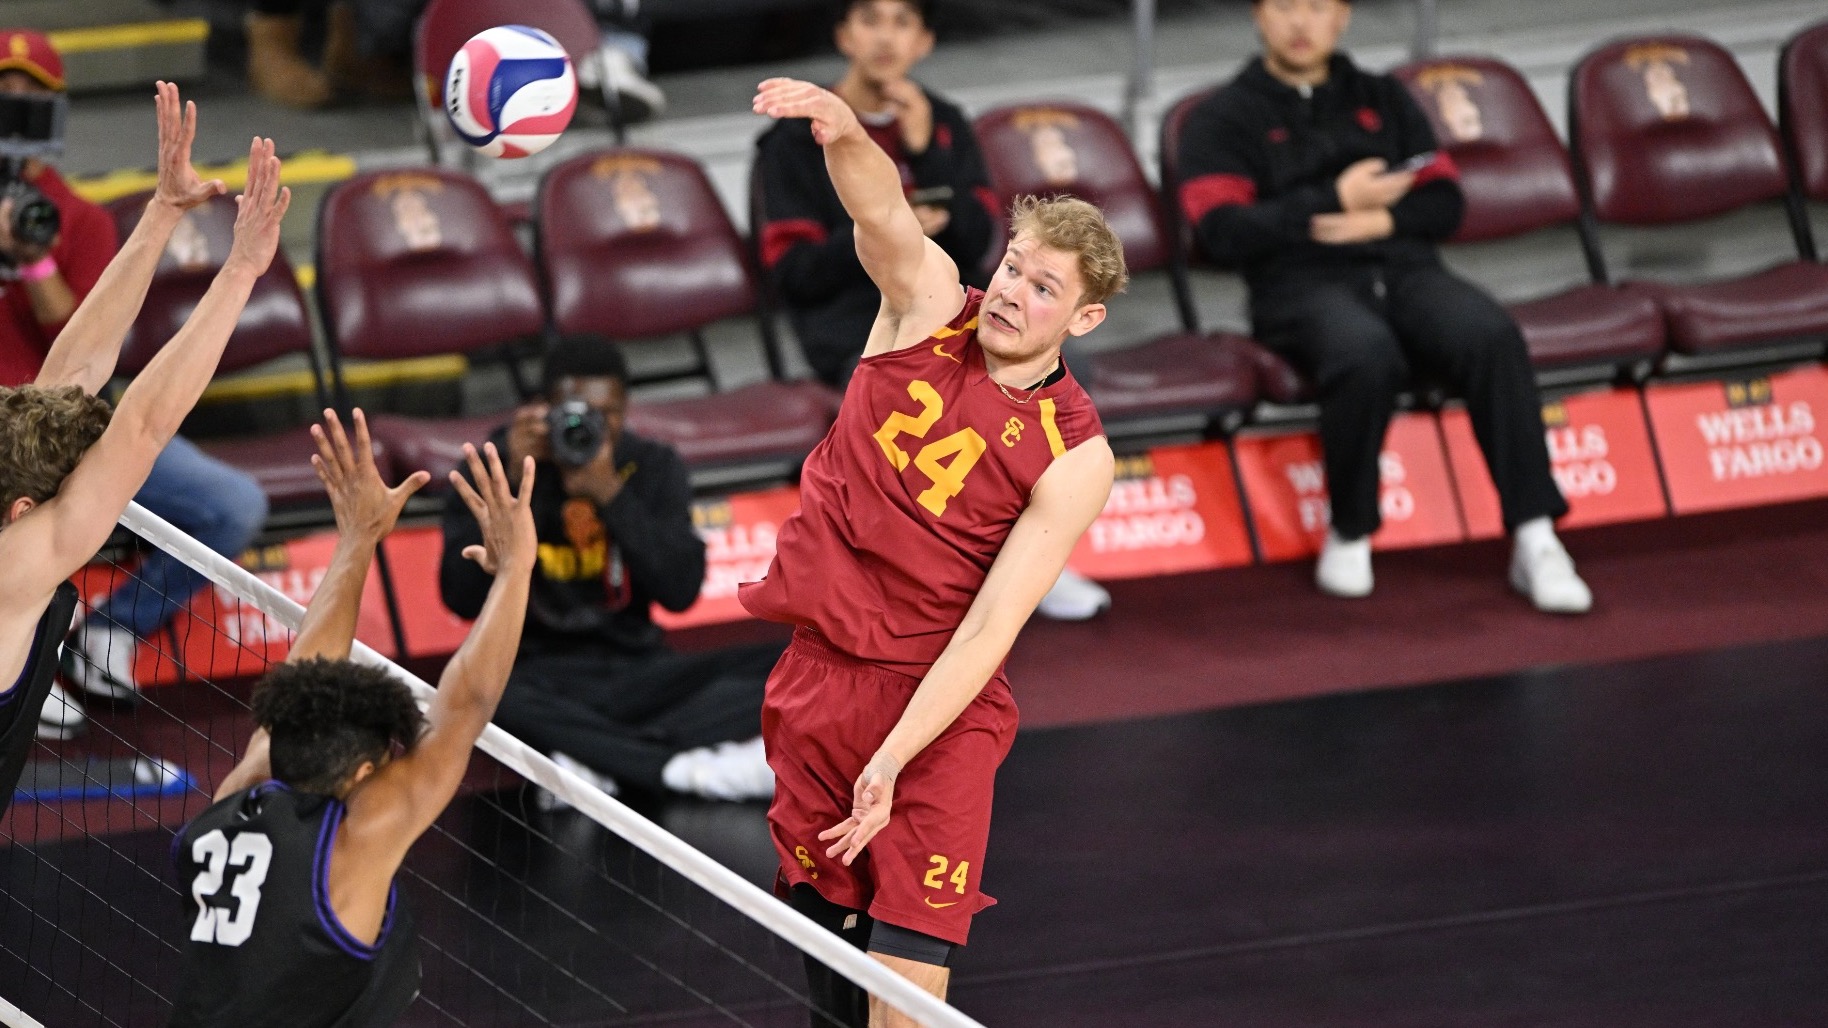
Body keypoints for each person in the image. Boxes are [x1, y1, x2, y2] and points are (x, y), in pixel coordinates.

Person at [746, 77, 1122, 1025]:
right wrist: (843, 131)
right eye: (1014, 268)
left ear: (1083, 320)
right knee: (830, 978)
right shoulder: (925, 307)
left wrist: (894, 760)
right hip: (816, 685)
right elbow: (881, 211)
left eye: (1045, 288)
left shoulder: (1077, 454)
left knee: (906, 995)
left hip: (936, 713)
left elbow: (992, 627)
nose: (1012, 292)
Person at [1175, 0, 1591, 612]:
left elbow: (1446, 201)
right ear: (1260, 15)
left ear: (1342, 16)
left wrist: (1380, 218)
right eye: (1285, 6)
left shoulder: (1384, 97)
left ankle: (1536, 536)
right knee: (1363, 351)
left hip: (1404, 267)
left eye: (1317, 7)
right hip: (1296, 284)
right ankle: (1350, 528)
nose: (1300, 22)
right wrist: (1330, 201)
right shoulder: (1220, 116)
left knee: (1491, 335)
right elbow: (1221, 230)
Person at [169, 412, 532, 1027]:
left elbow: (298, 681)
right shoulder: (358, 841)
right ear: (365, 770)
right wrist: (518, 568)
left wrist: (358, 538)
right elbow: (463, 708)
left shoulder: (223, 811)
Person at [755, 0, 1112, 623]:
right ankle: (920, 574)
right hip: (857, 322)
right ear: (843, 34)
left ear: (924, 41)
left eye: (901, 23)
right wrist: (892, 238)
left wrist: (927, 151)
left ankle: (1023, 560)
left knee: (1055, 379)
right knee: (918, 400)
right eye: (870, 19)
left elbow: (985, 245)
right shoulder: (789, 139)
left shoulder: (944, 122)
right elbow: (791, 272)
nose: (885, 37)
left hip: (963, 309)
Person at [0, 82, 289, 817]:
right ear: (27, 509)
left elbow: (71, 374)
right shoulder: (17, 567)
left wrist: (162, 212)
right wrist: (240, 271)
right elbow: (142, 426)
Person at [439, 337, 780, 803]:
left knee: (792, 659)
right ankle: (669, 768)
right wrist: (518, 489)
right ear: (544, 410)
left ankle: (593, 760)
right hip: (537, 674)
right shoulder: (498, 467)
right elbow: (458, 597)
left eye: (609, 413)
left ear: (626, 408)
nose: (594, 427)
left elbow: (680, 591)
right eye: (577, 412)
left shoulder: (653, 465)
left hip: (641, 671)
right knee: (479, 694)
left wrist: (612, 495)